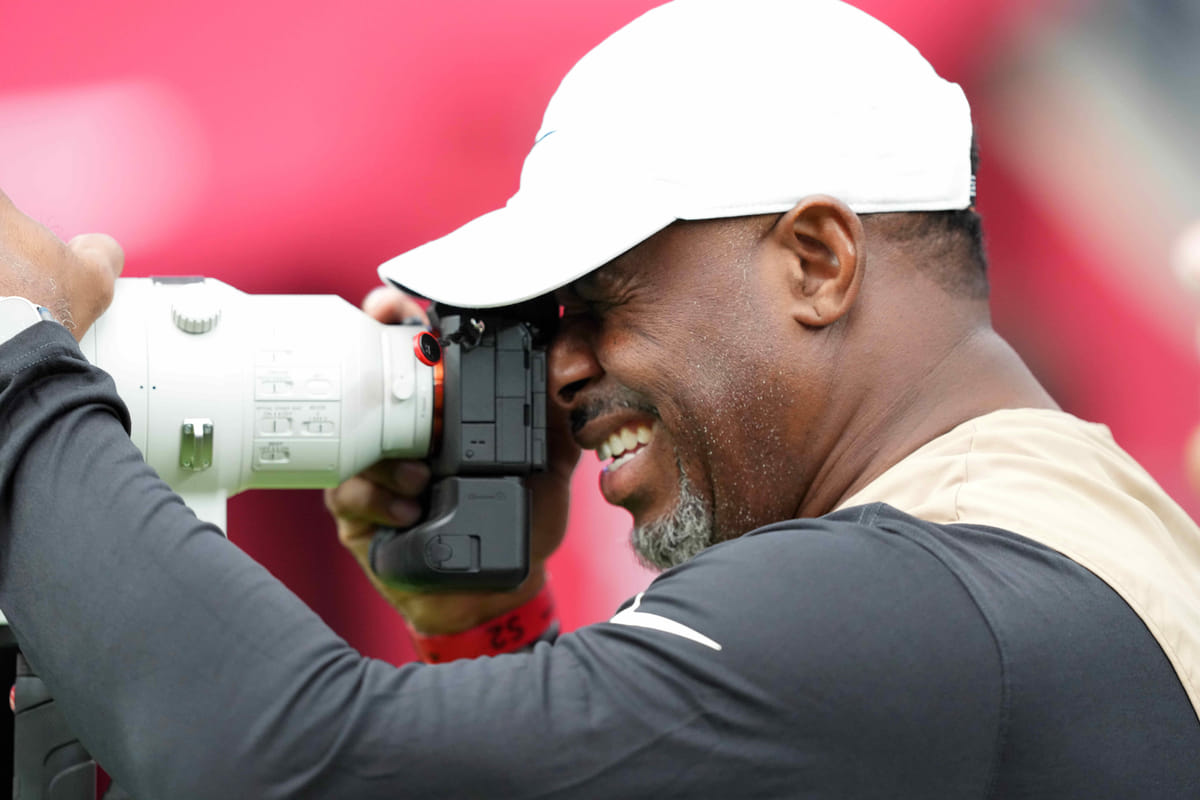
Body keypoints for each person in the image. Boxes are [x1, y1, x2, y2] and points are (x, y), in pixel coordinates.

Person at [1, 0, 1198, 797]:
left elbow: (265, 753)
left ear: (819, 261)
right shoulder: (1045, 548)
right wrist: (488, 623)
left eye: (600, 297)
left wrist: (24, 358)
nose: (561, 368)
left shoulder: (908, 598)